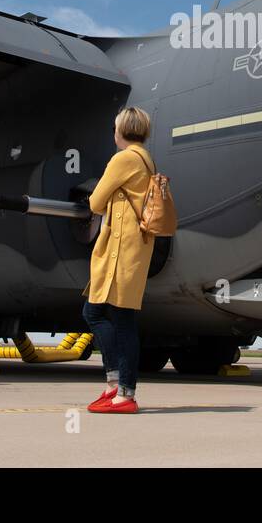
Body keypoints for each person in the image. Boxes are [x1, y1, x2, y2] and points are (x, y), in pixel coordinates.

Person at [83, 106, 158, 414]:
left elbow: (95, 201)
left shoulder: (124, 158)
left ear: (122, 130)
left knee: (98, 314)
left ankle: (122, 390)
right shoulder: (145, 158)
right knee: (118, 317)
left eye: (115, 128)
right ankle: (117, 387)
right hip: (134, 249)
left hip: (120, 250)